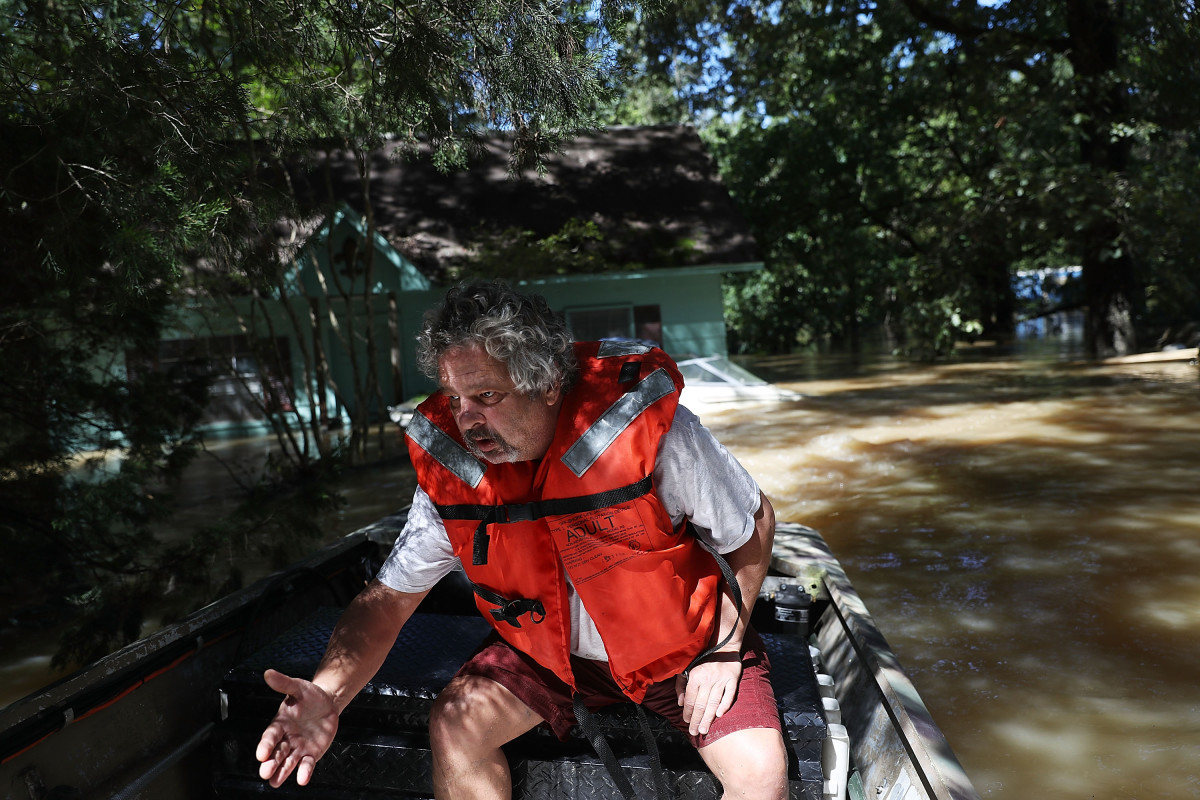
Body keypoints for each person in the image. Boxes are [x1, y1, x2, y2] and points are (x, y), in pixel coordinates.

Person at [255, 281, 787, 800]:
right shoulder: (455, 473)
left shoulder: (657, 437)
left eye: (487, 396)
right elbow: (387, 604)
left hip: (682, 645)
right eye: (455, 398)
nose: (467, 419)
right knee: (456, 723)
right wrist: (328, 692)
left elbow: (754, 524)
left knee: (760, 778)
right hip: (549, 655)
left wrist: (725, 646)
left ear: (549, 383)